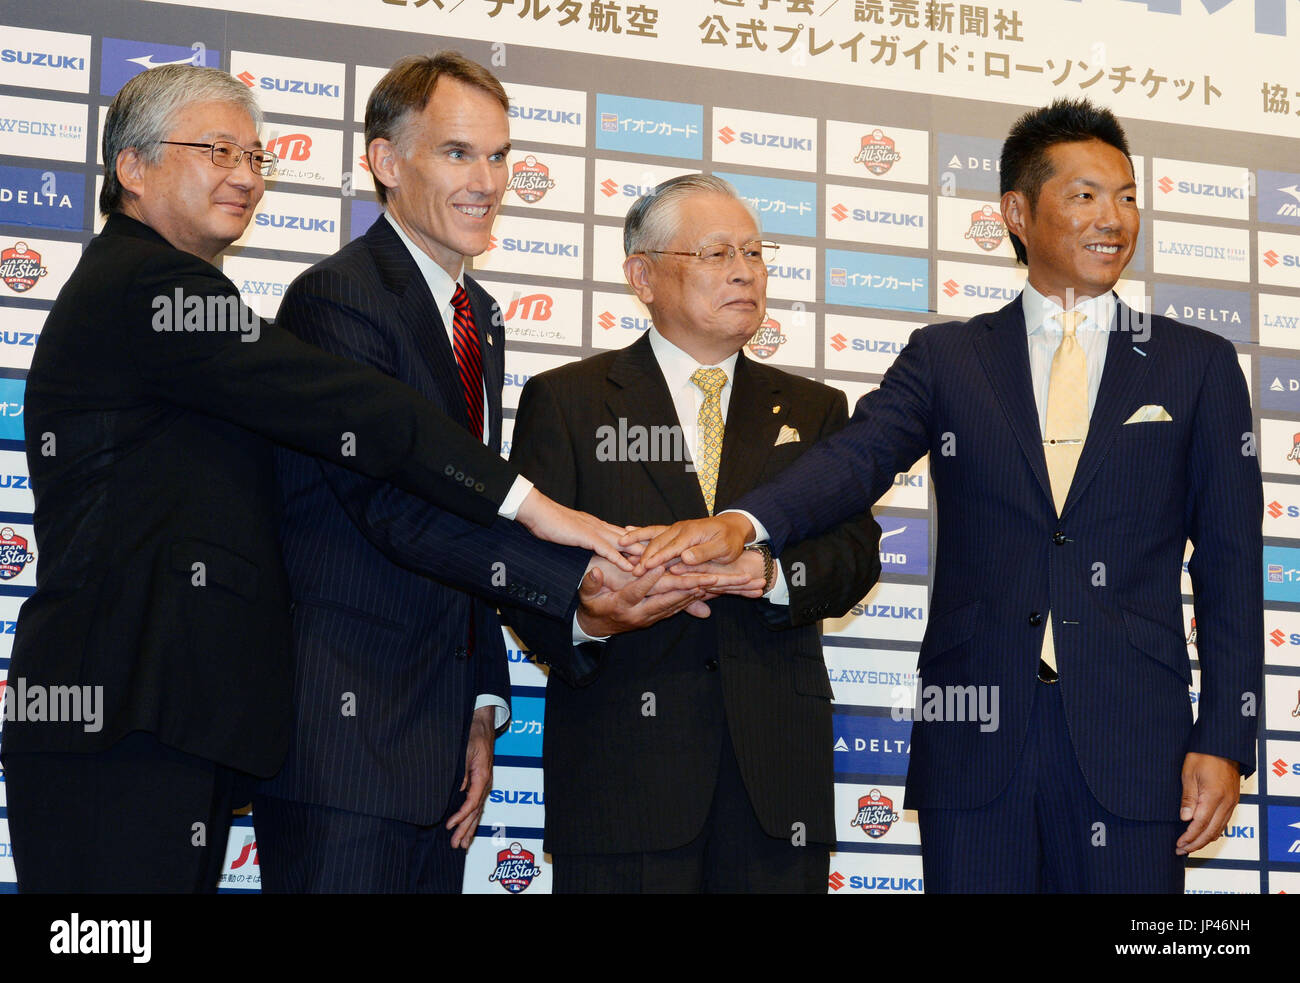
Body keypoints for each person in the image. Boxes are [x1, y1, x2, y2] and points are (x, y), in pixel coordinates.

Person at [0, 62, 640, 893]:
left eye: (255, 156)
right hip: (120, 710)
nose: (244, 175)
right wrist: (530, 504)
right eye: (216, 150)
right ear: (133, 167)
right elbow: (355, 408)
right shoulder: (149, 286)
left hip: (169, 716)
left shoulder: (176, 296)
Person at [635, 100, 1263, 893]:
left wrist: (1226, 736)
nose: (1114, 217)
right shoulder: (948, 357)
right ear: (1017, 213)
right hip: (976, 743)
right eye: (1085, 195)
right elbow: (856, 457)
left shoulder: (1196, 365)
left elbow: (1232, 566)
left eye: (1128, 196)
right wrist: (744, 522)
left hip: (1136, 746)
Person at [249, 56, 728, 893]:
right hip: (344, 739)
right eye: (458, 153)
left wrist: (479, 702)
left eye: (499, 155)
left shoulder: (478, 315)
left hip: (436, 740)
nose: (488, 181)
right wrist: (577, 581)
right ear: (386, 162)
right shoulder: (339, 299)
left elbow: (467, 511)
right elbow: (393, 508)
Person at [504, 174, 881, 893]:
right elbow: (520, 570)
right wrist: (592, 617)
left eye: (754, 252)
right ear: (642, 277)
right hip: (622, 783)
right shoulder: (569, 400)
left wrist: (770, 576)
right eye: (715, 253)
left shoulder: (816, 408)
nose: (744, 271)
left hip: (775, 790)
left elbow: (855, 555)